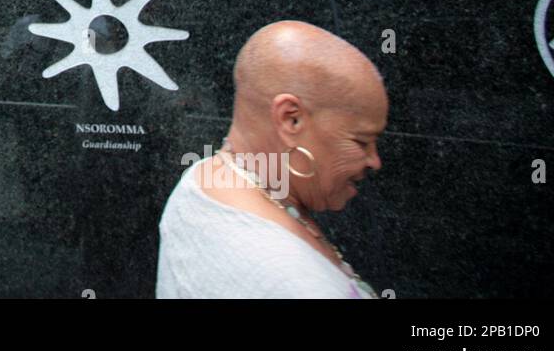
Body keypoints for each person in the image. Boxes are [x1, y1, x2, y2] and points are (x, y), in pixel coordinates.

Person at [156, 21, 387, 298]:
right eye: (361, 141)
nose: (374, 161)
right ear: (291, 119)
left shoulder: (205, 179)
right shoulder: (293, 283)